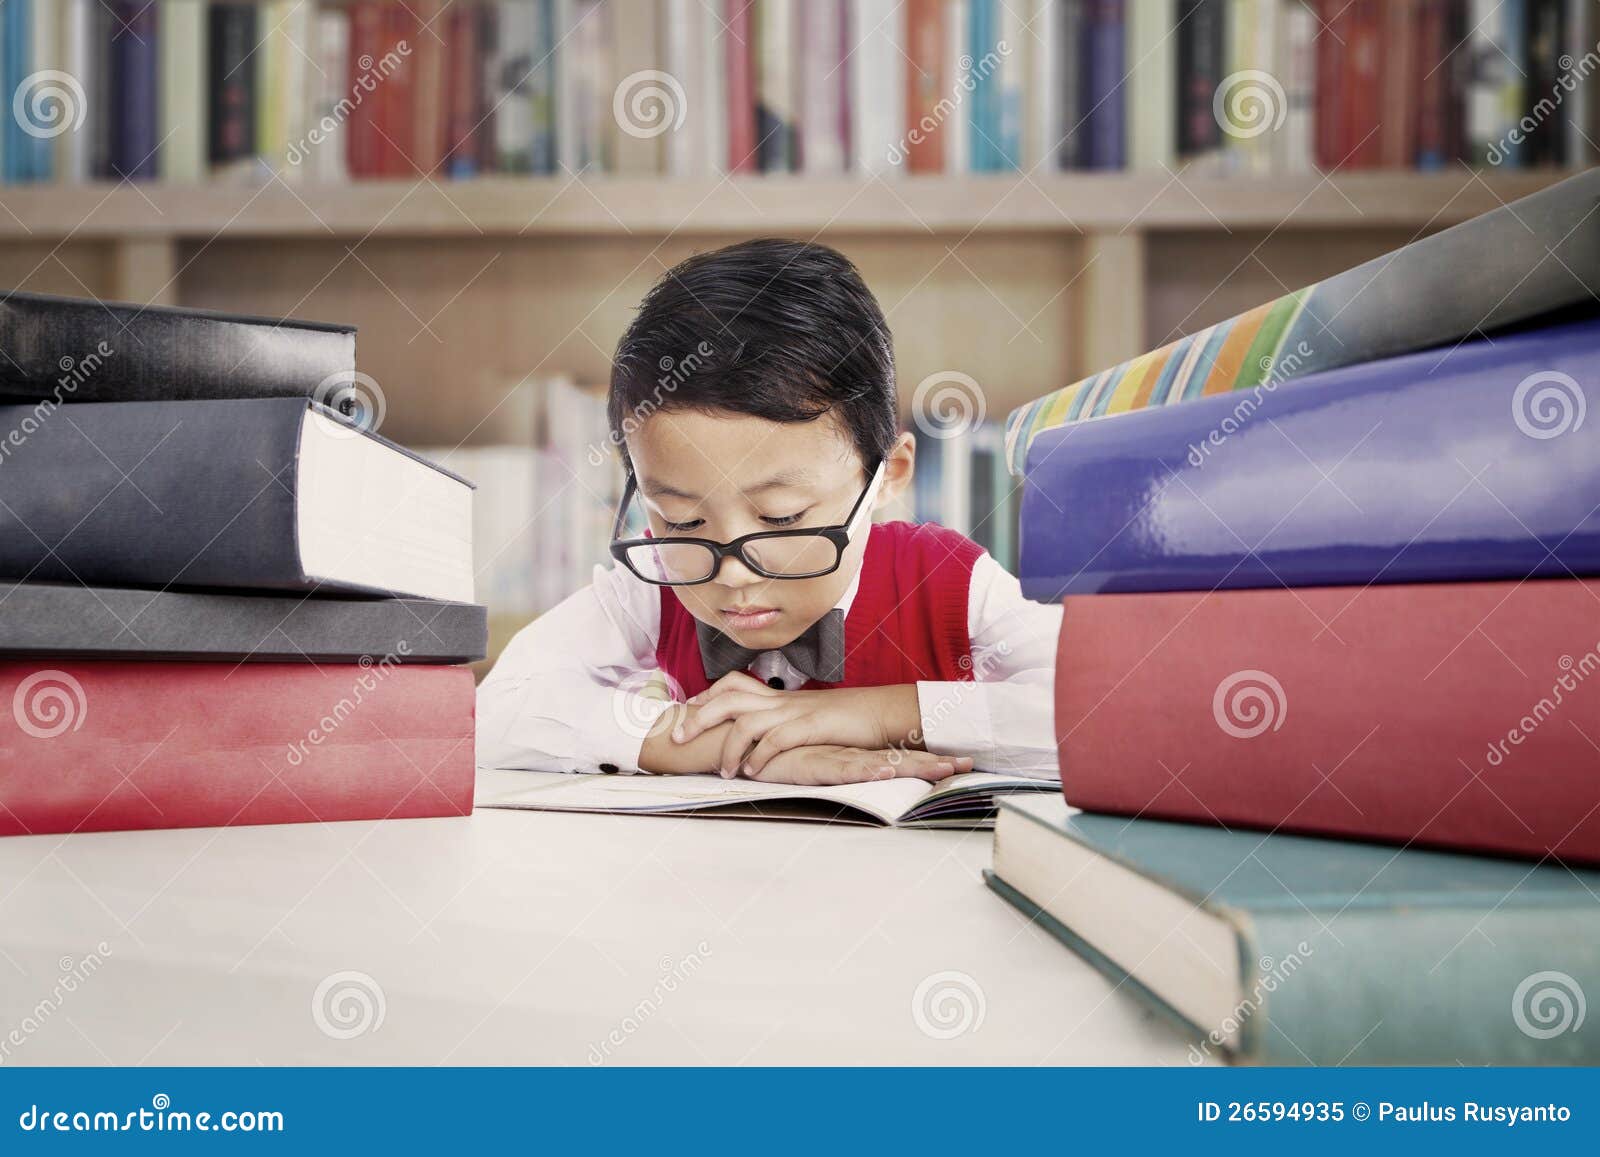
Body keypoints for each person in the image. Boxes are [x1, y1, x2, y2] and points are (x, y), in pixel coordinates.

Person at [477, 239, 1062, 786]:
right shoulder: (650, 590)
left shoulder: (948, 582)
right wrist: (697, 741)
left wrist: (876, 713)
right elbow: (496, 707)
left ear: (889, 473)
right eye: (681, 520)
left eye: (781, 518)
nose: (734, 573)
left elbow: (1110, 707)